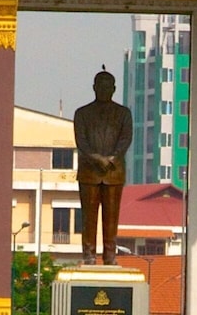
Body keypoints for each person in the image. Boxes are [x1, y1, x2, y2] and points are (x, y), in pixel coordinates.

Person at [73, 69, 133, 265]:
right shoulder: (82, 113)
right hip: (89, 173)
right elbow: (81, 141)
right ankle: (89, 255)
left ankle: (110, 255)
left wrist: (113, 159)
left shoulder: (123, 114)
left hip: (113, 173)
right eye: (100, 86)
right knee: (88, 218)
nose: (104, 90)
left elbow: (125, 140)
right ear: (94, 88)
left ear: (114, 89)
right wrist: (98, 158)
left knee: (111, 217)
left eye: (108, 87)